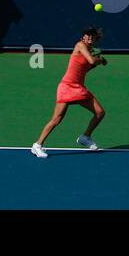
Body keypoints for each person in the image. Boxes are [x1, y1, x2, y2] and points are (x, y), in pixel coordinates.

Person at [31, 26, 108, 157]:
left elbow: (85, 69)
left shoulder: (88, 50)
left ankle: (85, 137)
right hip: (67, 87)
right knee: (57, 119)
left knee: (100, 113)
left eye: (92, 35)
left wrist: (96, 63)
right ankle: (37, 145)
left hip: (79, 88)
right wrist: (100, 60)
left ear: (95, 38)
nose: (89, 37)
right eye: (87, 35)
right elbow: (91, 60)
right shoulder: (80, 45)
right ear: (83, 37)